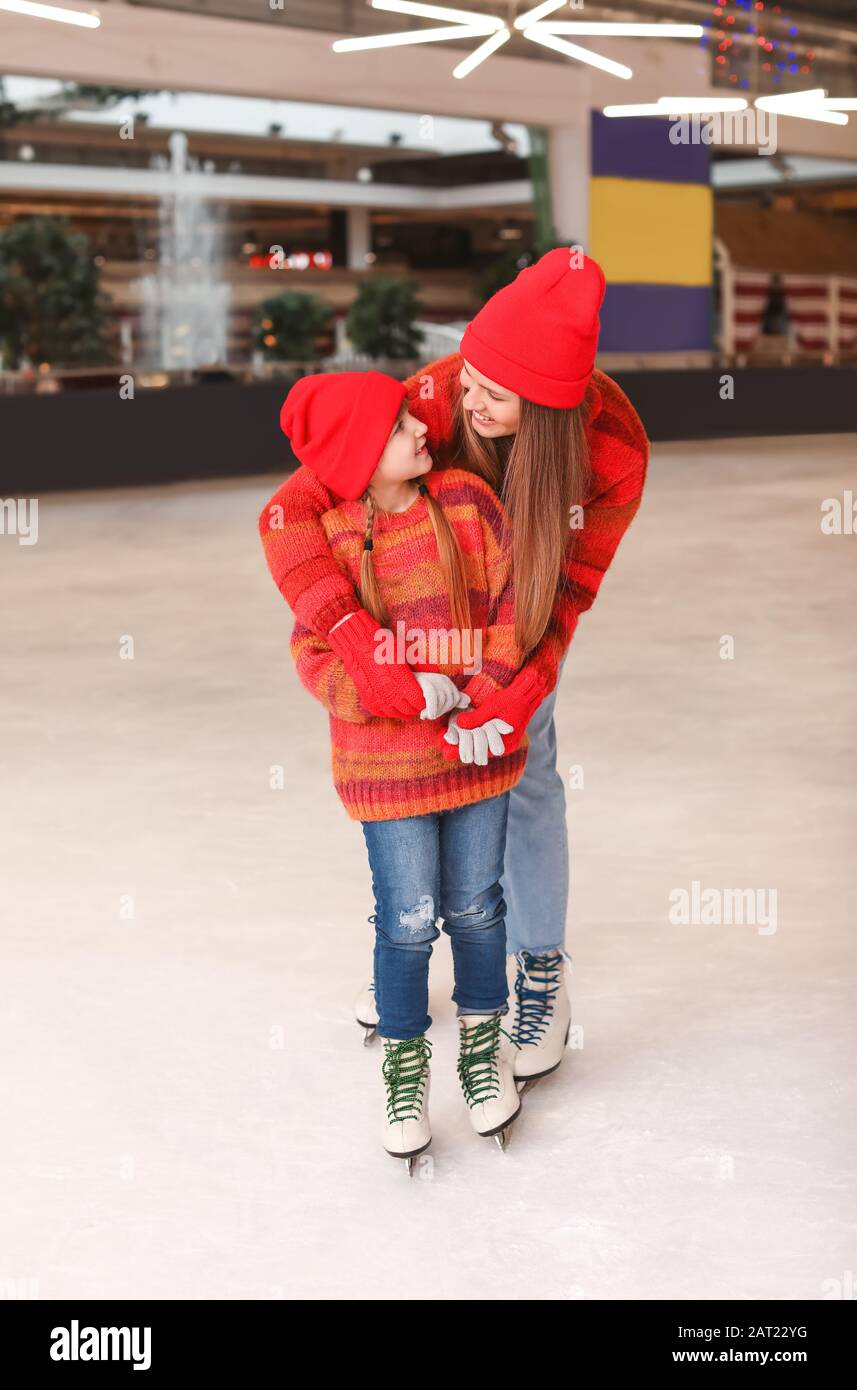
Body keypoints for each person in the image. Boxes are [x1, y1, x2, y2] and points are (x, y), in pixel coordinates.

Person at [260, 248, 649, 1092]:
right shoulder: (439, 394)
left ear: (543, 408)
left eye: (491, 394)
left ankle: (538, 966)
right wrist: (359, 641)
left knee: (528, 771)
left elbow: (568, 596)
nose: (461, 399)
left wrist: (517, 690)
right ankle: (403, 947)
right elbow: (291, 511)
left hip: (514, 632)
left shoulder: (610, 454)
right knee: (404, 780)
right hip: (407, 632)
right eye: (467, 374)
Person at [266, 369, 535, 1168]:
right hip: (385, 775)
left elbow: (510, 608)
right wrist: (392, 694)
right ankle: (404, 1064)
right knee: (408, 920)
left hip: (476, 761)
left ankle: (482, 1053)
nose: (422, 425)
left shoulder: (466, 503)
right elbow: (313, 656)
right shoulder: (335, 537)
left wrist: (483, 694)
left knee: (479, 908)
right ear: (355, 455)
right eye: (395, 427)